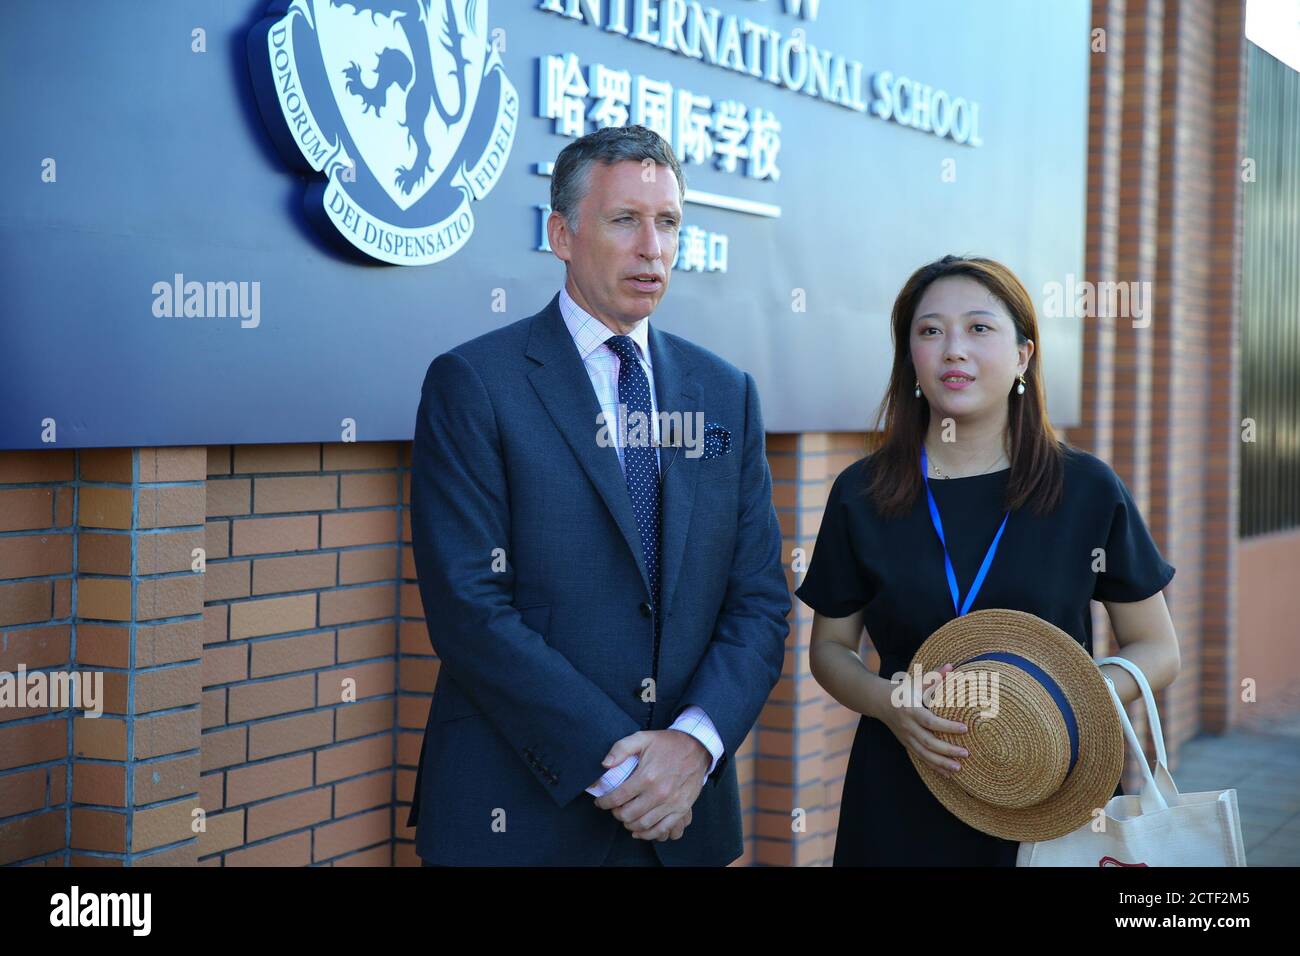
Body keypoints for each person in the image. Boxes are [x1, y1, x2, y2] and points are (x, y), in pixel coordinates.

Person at [407, 125, 790, 866]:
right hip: (517, 813)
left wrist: (692, 746)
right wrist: (627, 769)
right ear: (562, 233)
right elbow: (468, 610)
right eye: (625, 220)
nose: (653, 246)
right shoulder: (477, 383)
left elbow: (759, 601)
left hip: (682, 822)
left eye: (669, 222)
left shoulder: (725, 395)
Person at [796, 254, 1181, 866]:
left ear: (1024, 354)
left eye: (979, 328)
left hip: (1058, 790)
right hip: (902, 789)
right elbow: (831, 650)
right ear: (910, 359)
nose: (954, 350)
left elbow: (1157, 648)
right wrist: (887, 703)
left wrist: (1065, 701)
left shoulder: (1086, 488)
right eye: (930, 331)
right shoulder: (862, 492)